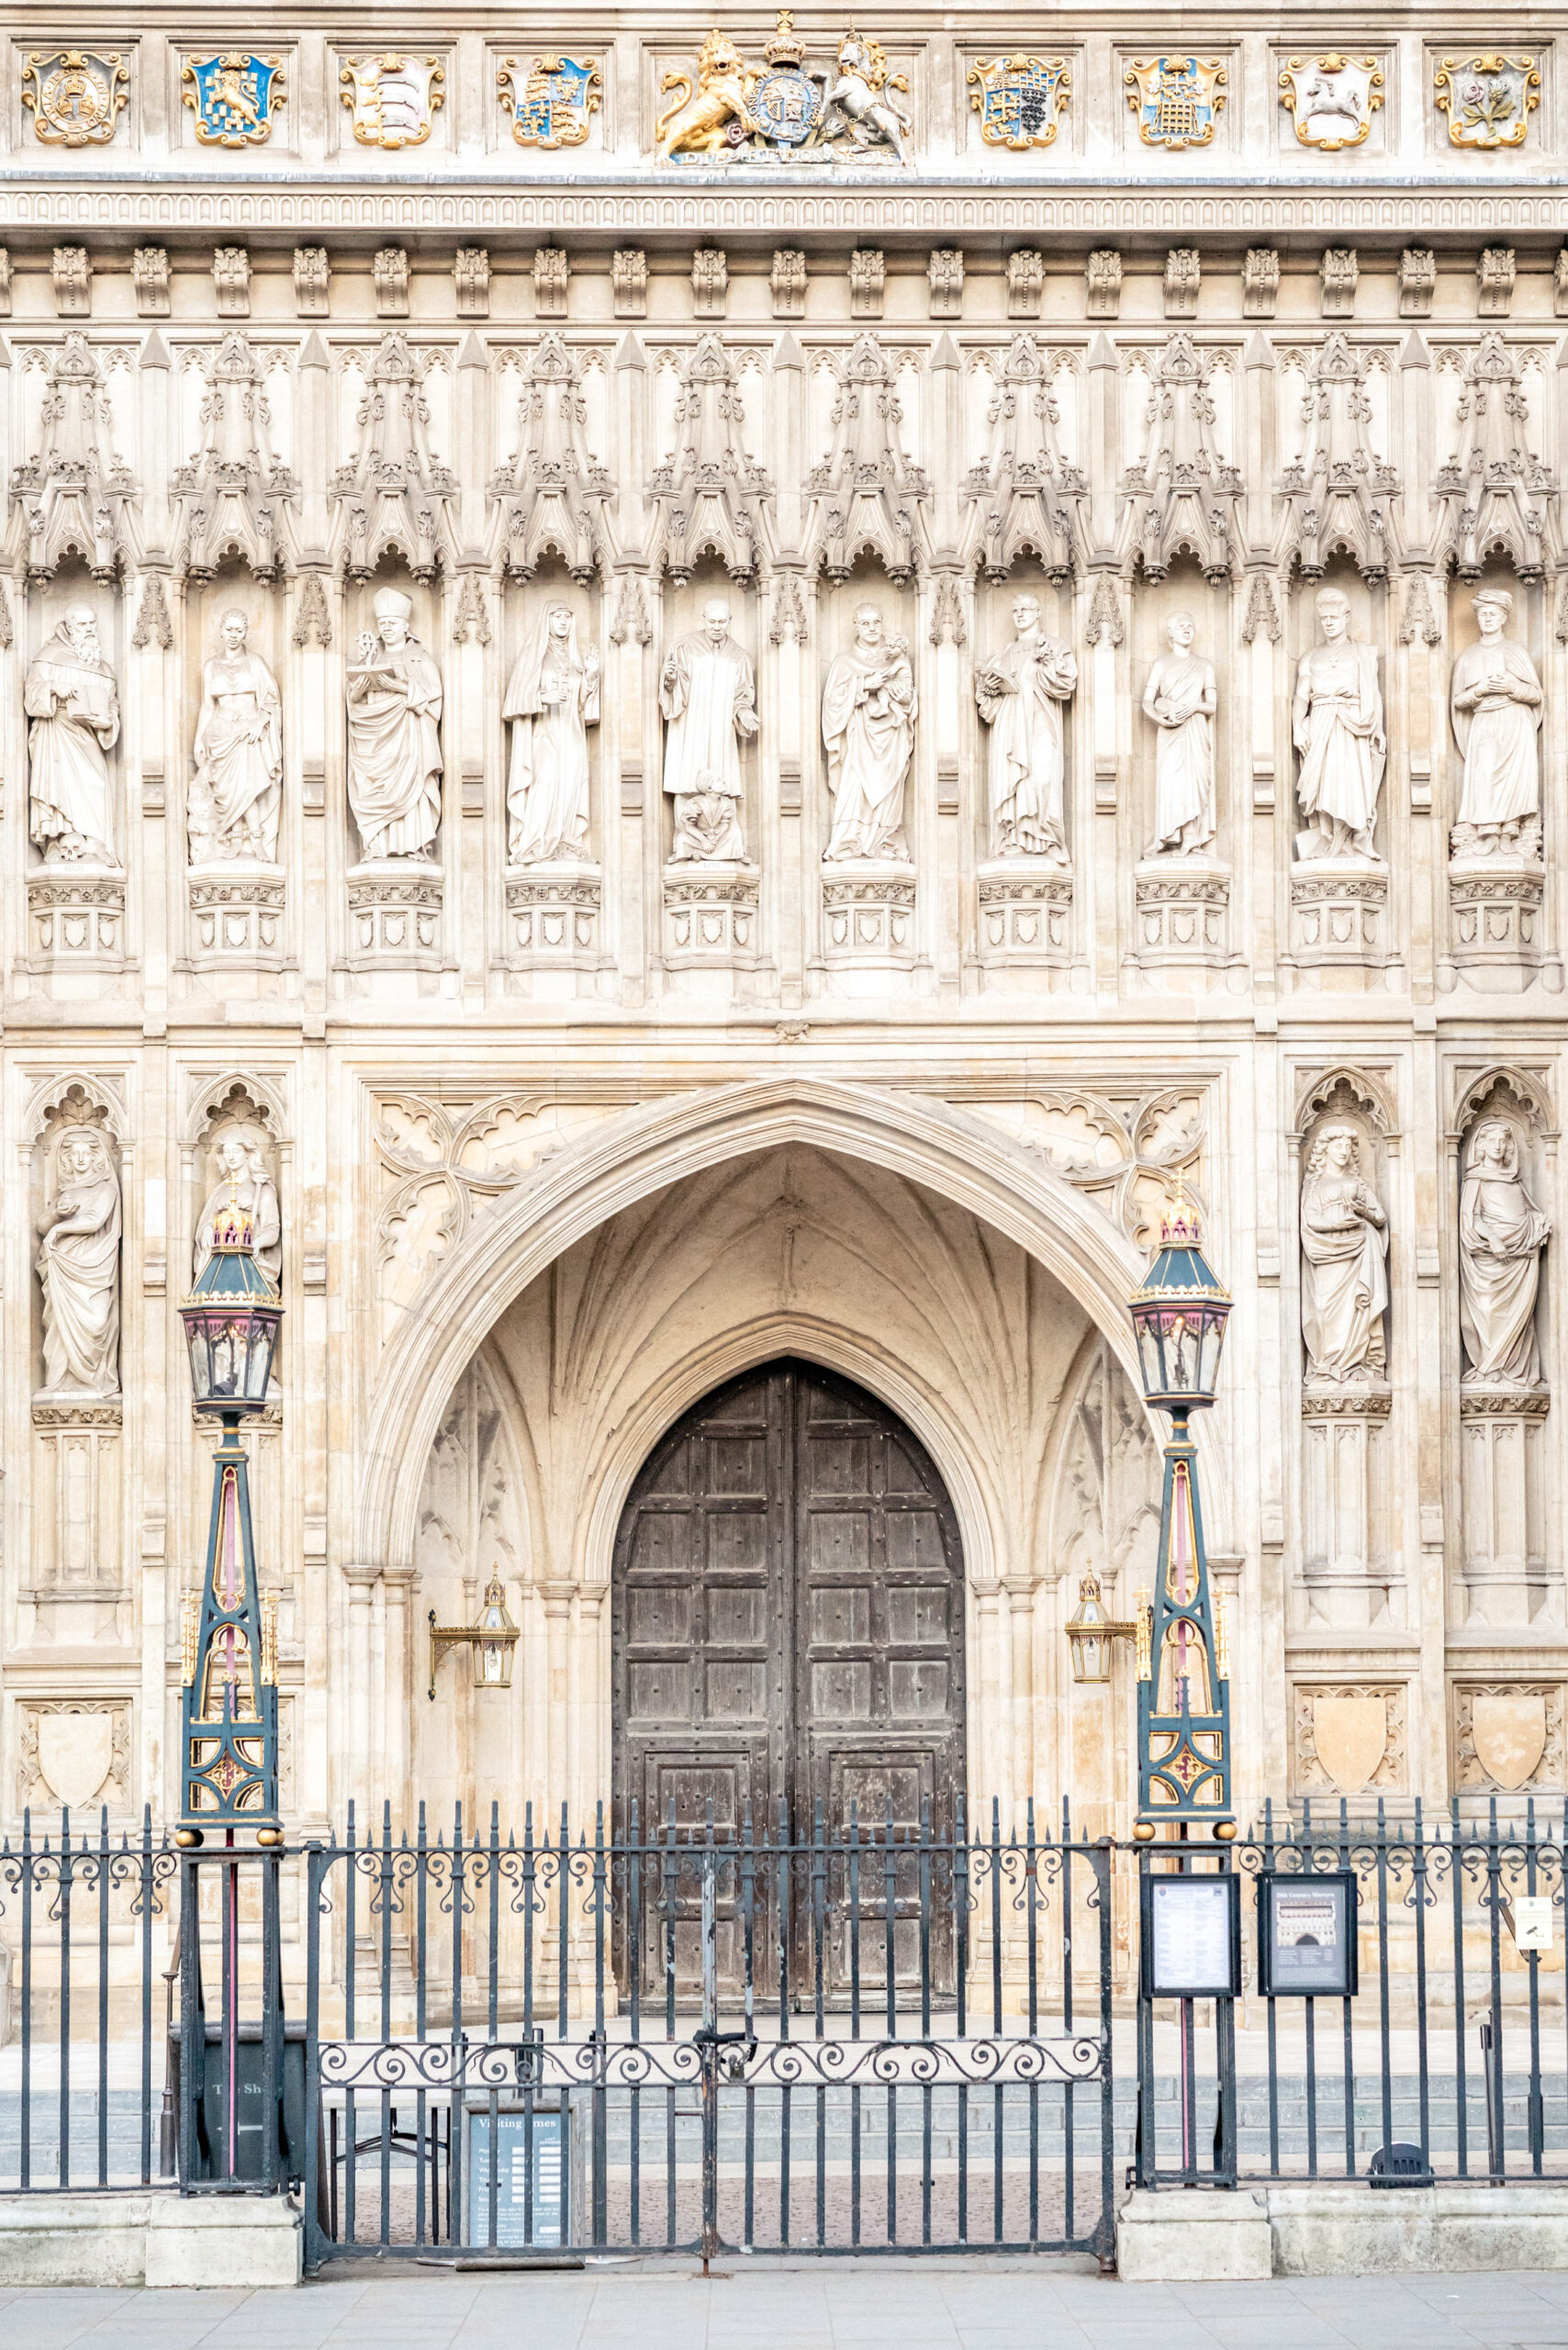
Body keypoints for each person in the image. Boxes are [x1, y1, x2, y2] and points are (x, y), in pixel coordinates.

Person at [975, 592, 1076, 862]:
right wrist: (989, 689)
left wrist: (1048, 663)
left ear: (1038, 612)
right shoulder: (1003, 655)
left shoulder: (1055, 647)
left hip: (1040, 723)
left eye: (1026, 609)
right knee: (1013, 783)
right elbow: (988, 707)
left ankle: (1047, 839)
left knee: (1042, 778)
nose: (1019, 614)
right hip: (1009, 728)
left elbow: (1066, 683)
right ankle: (1014, 839)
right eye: (1015, 610)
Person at [346, 588, 443, 859]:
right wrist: (356, 693)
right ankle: (377, 845)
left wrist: (398, 687)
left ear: (405, 626)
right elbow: (354, 703)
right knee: (373, 786)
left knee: (410, 786)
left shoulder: (419, 657)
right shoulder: (371, 658)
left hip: (408, 738)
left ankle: (413, 843)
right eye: (382, 623)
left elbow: (434, 695)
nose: (386, 628)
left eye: (392, 623)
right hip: (374, 740)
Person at [659, 599, 757, 862]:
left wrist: (744, 712)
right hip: (691, 725)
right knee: (688, 776)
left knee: (721, 778)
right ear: (704, 619)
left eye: (722, 622)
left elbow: (742, 696)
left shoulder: (739, 656)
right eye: (712, 621)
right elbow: (673, 690)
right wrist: (669, 681)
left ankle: (725, 844)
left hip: (721, 728)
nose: (716, 627)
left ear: (729, 621)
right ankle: (686, 841)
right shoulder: (685, 647)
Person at [1292, 588, 1385, 860]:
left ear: (1346, 618)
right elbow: (1301, 696)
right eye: (1324, 619)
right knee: (1322, 782)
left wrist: (1378, 729)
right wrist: (1297, 728)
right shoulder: (1310, 657)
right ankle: (1327, 836)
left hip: (1352, 721)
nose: (1328, 623)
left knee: (1352, 780)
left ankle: (1358, 839)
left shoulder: (1362, 653)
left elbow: (1373, 693)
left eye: (1333, 618)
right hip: (1320, 720)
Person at [504, 603, 599, 865]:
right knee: (544, 782)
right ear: (547, 620)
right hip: (544, 733)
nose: (563, 622)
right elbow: (515, 700)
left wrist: (591, 676)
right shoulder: (533, 655)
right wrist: (543, 698)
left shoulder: (574, 658)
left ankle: (563, 842)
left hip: (571, 733)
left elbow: (583, 706)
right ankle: (535, 844)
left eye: (567, 617)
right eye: (558, 617)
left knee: (569, 786)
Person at [1450, 588, 1542, 856]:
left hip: (1515, 721)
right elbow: (1458, 701)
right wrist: (1479, 690)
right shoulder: (1468, 656)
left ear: (1503, 618)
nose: (1488, 618)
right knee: (1486, 774)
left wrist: (1512, 687)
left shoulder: (1515, 651)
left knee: (1514, 778)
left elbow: (1536, 695)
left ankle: (1510, 832)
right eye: (1483, 614)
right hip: (1485, 722)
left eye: (1492, 614)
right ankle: (1488, 832)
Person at [26, 604, 119, 864]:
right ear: (68, 627)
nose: (89, 629)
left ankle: (95, 842)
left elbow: (112, 703)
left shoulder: (103, 668)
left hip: (88, 734)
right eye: (82, 624)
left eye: (92, 623)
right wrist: (54, 687)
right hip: (57, 731)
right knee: (59, 785)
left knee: (96, 785)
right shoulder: (49, 656)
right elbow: (31, 694)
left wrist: (108, 721)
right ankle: (61, 841)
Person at [1459, 1119, 1551, 1385]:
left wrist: (1537, 1225)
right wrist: (1493, 1238)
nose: (1498, 1146)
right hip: (1490, 1258)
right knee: (1488, 1313)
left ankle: (1513, 1370)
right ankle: (1489, 1367)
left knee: (1520, 1317)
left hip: (1520, 1259)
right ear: (1482, 1146)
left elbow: (1528, 1212)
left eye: (1503, 1141)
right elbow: (1471, 1218)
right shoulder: (1476, 1179)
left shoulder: (1515, 1180)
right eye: (1492, 1141)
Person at [822, 604, 916, 861]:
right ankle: (849, 841)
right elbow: (832, 703)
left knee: (889, 789)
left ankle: (883, 841)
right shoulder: (845, 661)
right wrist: (864, 685)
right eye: (865, 623)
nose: (872, 628)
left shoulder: (896, 659)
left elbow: (908, 696)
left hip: (891, 736)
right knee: (855, 786)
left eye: (876, 622)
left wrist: (902, 695)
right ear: (856, 626)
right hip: (859, 738)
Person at [188, 610, 282, 861]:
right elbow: (207, 705)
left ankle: (256, 841)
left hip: (247, 732)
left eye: (239, 630)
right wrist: (198, 739)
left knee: (247, 787)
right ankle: (236, 840)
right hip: (219, 733)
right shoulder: (211, 666)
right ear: (221, 630)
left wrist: (260, 722)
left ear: (245, 632)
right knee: (227, 791)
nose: (233, 635)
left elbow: (271, 700)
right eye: (229, 629)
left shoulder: (256, 663)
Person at [1300, 1123, 1388, 1382]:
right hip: (1325, 1251)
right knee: (1323, 1306)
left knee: (1356, 1307)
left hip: (1358, 1249)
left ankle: (1353, 1363)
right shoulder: (1314, 1185)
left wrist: (1362, 1211)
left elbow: (1380, 1217)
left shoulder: (1358, 1184)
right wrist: (1335, 1225)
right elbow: (1310, 1218)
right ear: (1325, 1150)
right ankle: (1327, 1364)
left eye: (1348, 1147)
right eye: (1338, 1146)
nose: (1344, 1151)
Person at [37, 1127, 121, 1397]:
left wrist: (59, 1229)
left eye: (86, 1153)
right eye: (75, 1154)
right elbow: (41, 1225)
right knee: (58, 1323)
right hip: (63, 1265)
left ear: (96, 1158)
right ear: (68, 1160)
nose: (81, 1159)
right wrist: (55, 1216)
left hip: (95, 1267)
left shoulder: (106, 1189)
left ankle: (94, 1380)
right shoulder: (66, 1193)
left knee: (96, 1321)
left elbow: (95, 1221)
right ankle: (60, 1380)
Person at [1142, 611, 1216, 856]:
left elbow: (1212, 706)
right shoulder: (1161, 664)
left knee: (1193, 781)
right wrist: (1160, 718)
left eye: (1190, 626)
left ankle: (1191, 837)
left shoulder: (1205, 665)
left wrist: (1194, 706)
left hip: (1195, 727)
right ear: (1171, 632)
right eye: (1181, 626)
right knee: (1171, 781)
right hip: (1170, 730)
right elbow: (1147, 701)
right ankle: (1166, 835)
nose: (1187, 629)